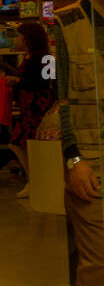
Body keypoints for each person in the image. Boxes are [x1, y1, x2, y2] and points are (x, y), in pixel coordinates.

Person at [4, 22, 56, 198]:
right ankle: (35, 181)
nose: (16, 39)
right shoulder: (41, 58)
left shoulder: (43, 59)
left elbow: (44, 84)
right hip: (32, 107)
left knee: (19, 142)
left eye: (19, 35)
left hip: (37, 108)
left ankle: (34, 181)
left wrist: (17, 82)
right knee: (24, 144)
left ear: (27, 39)